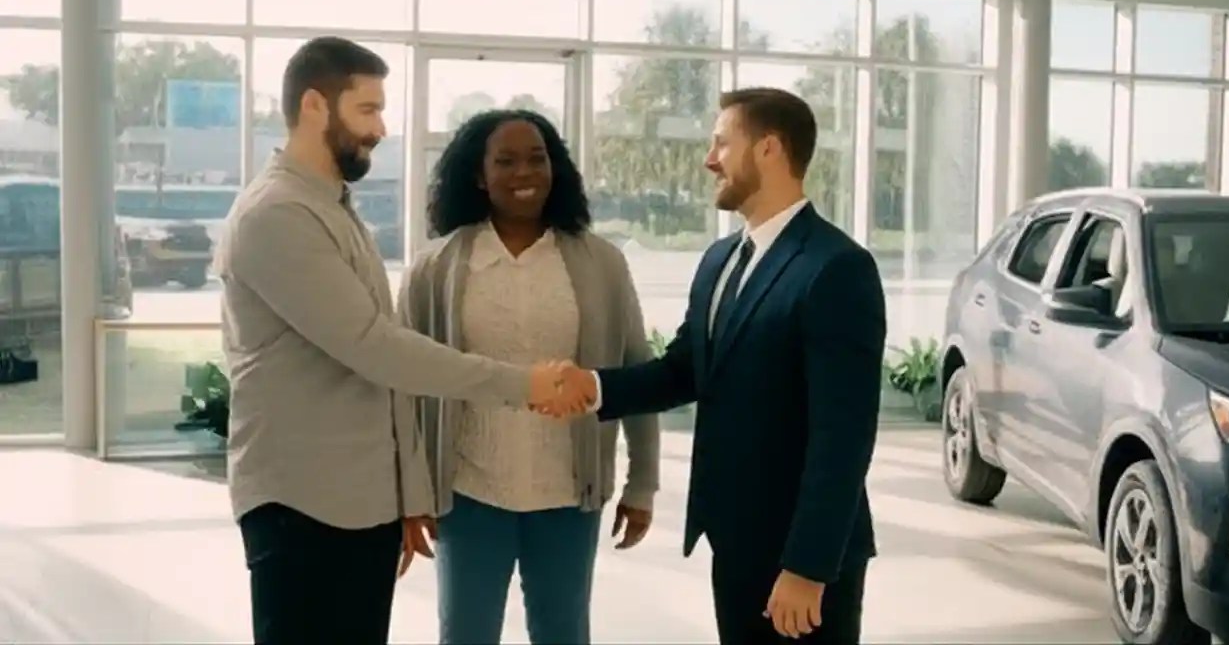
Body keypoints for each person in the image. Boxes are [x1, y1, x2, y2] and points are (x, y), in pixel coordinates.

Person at [213, 37, 588, 645]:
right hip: (303, 506)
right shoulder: (277, 214)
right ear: (314, 106)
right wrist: (524, 383)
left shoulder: (331, 207)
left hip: (356, 504)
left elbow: (379, 377)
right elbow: (376, 347)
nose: (382, 128)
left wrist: (405, 495)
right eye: (368, 110)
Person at [549, 88, 887, 644]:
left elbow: (843, 438)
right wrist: (593, 387)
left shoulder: (837, 268)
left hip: (801, 559)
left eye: (722, 143)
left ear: (769, 150)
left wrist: (807, 568)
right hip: (733, 542)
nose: (710, 160)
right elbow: (684, 370)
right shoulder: (721, 260)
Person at [396, 109, 661, 645]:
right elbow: (402, 384)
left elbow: (636, 373)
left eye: (537, 158)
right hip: (468, 491)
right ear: (478, 174)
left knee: (563, 633)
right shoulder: (437, 268)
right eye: (506, 161)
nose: (525, 173)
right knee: (465, 634)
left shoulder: (601, 262)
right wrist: (409, 491)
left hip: (568, 491)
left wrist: (643, 482)